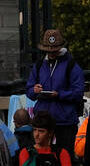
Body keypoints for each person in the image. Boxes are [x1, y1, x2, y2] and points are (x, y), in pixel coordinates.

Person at [26, 28, 85, 158]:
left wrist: (59, 94)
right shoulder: (39, 64)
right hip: (43, 121)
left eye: (54, 50)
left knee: (65, 157)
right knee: (40, 157)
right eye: (48, 50)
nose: (51, 53)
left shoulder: (71, 65)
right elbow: (29, 90)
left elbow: (78, 92)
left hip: (65, 120)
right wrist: (34, 90)